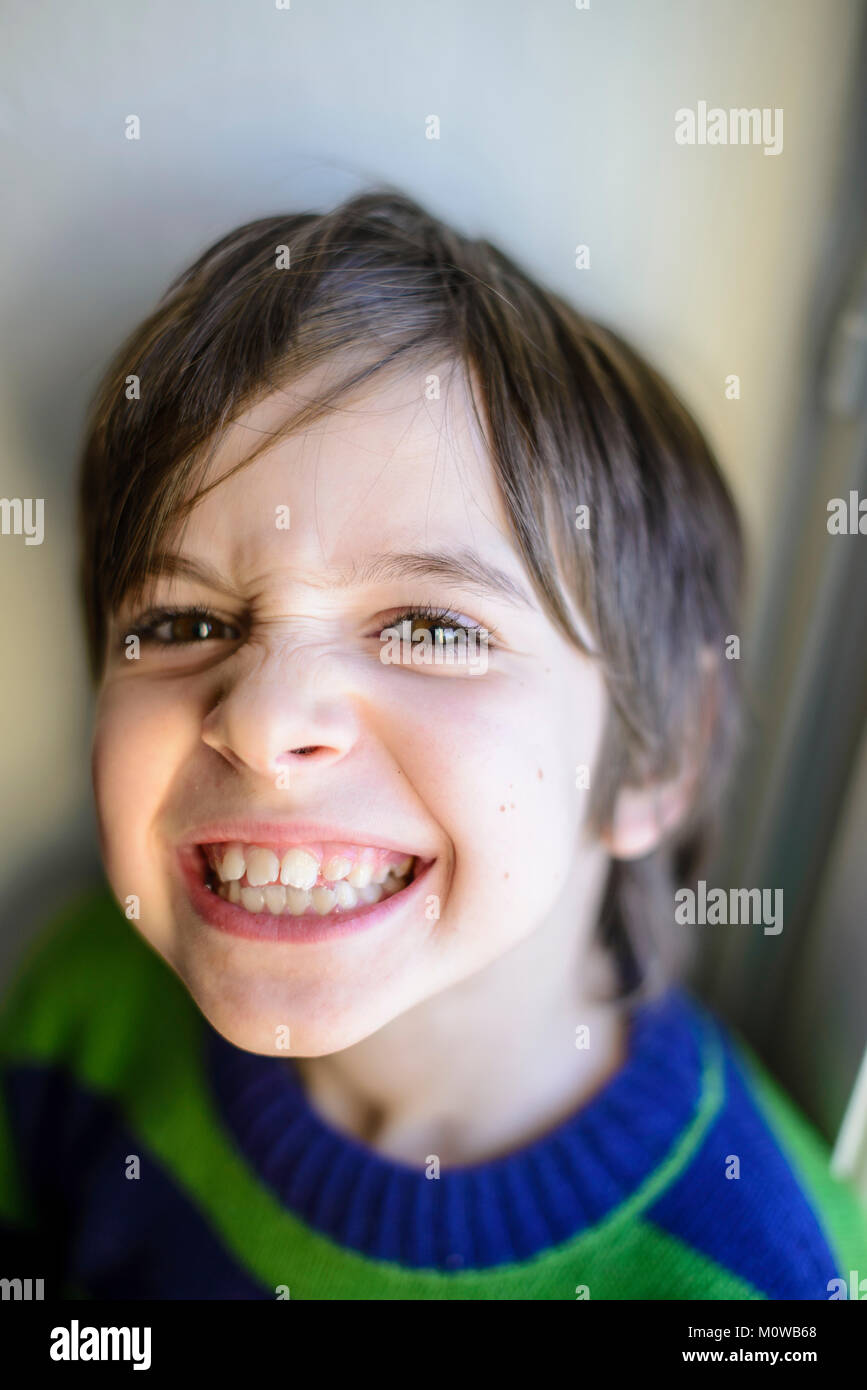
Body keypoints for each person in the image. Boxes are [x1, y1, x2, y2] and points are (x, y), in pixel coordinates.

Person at [1, 189, 864, 1298]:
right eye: (180, 623)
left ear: (659, 756)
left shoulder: (761, 1280)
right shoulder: (81, 1018)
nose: (260, 720)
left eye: (431, 628)